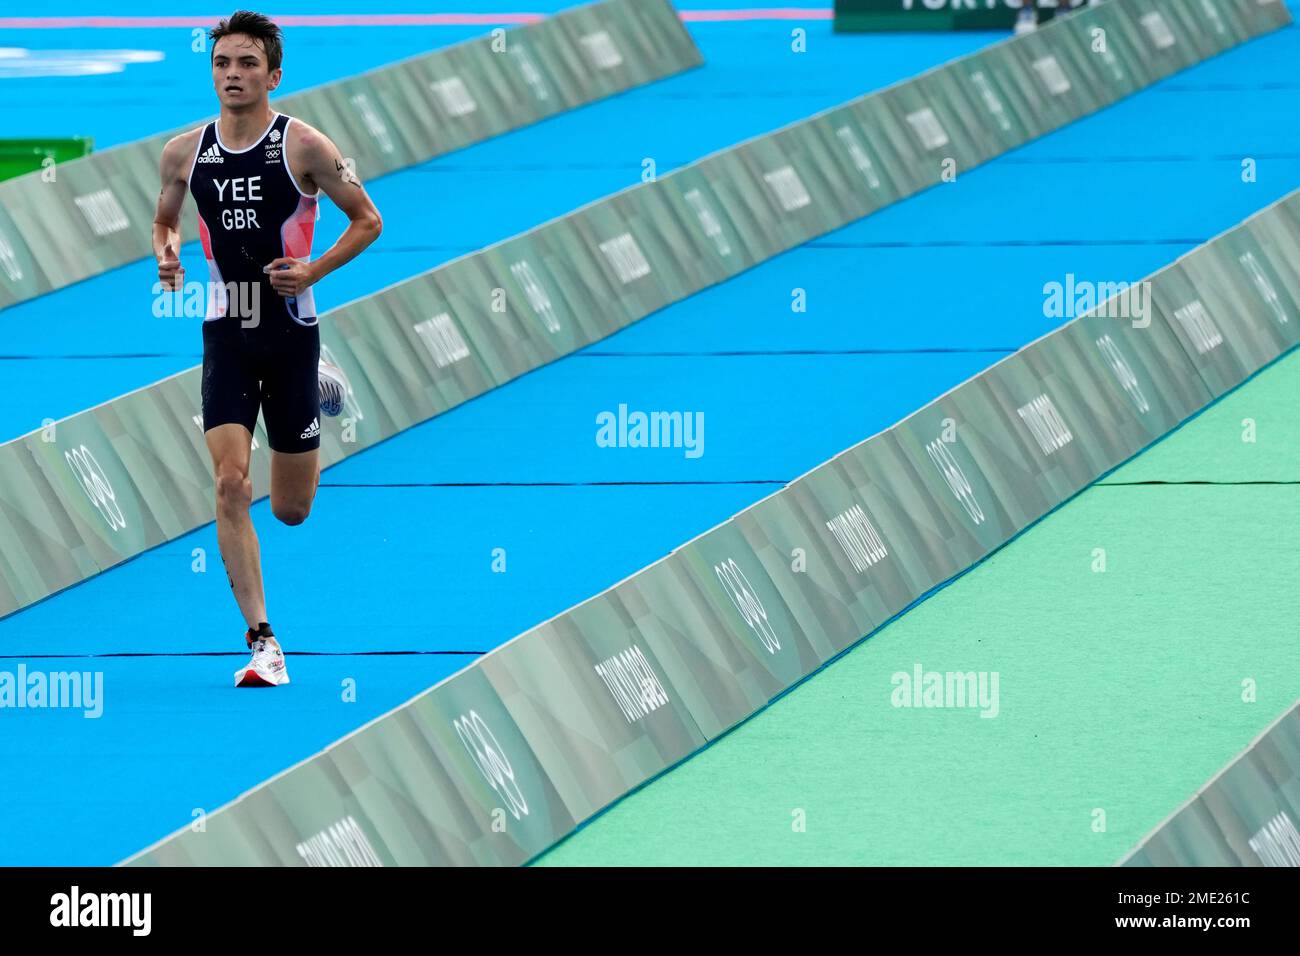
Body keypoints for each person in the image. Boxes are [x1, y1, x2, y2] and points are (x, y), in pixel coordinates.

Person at [152, 10, 383, 686]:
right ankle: (262, 643)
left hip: (291, 332)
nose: (233, 74)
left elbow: (368, 220)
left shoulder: (306, 147)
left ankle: (318, 380)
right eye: (223, 63)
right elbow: (165, 221)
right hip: (227, 329)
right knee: (230, 484)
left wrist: (312, 271)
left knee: (290, 510)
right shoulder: (182, 152)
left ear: (273, 74)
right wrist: (168, 258)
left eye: (248, 63)